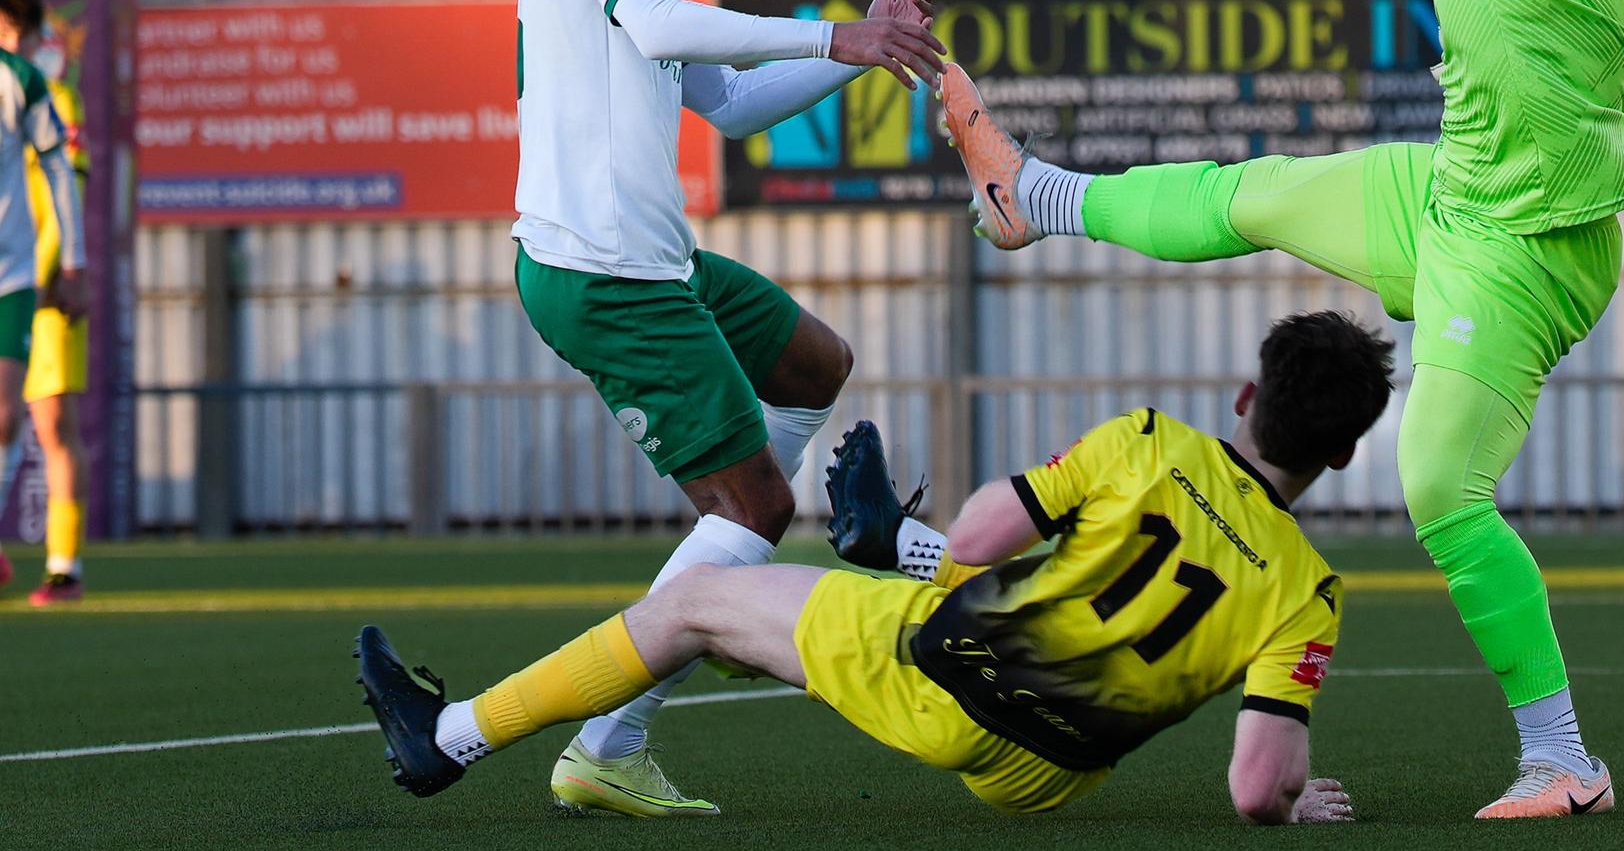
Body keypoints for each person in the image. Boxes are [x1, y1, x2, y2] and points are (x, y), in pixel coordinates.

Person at [939, 0, 1624, 819]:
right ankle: (1036, 195)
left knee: (1440, 490)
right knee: (1256, 192)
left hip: (1522, 246)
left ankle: (1564, 762)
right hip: (1457, 192)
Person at [357, 309, 1390, 822]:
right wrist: (1291, 802)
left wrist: (950, 539)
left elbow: (979, 540)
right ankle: (874, 558)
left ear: (1246, 400)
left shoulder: (1153, 442)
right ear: (1342, 454)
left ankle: (447, 739)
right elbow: (1256, 787)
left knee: (693, 603)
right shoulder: (1309, 594)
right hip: (1047, 777)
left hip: (936, 681)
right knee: (1024, 604)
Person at [506, 0, 946, 816]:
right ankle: (608, 740)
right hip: (608, 270)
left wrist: (863, 40)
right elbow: (659, 23)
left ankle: (731, 562)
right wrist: (840, 31)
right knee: (757, 506)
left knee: (813, 363)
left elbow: (733, 103)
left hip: (654, 261)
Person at [0, 0, 87, 601]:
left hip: (34, 278)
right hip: (29, 274)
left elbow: (64, 177)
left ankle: (65, 566)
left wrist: (65, 269)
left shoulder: (47, 92)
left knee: (48, 421)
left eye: (16, 33)